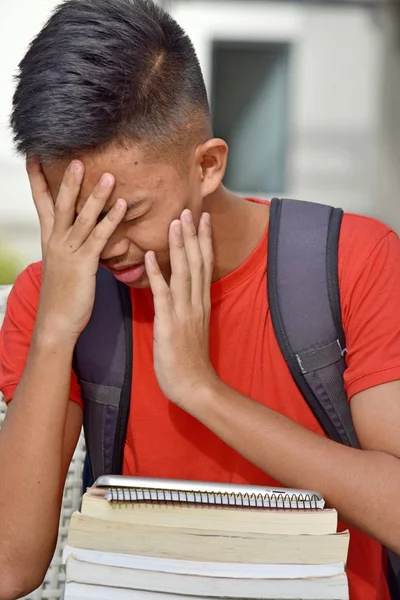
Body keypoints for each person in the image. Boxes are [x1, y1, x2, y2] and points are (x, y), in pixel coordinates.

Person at [0, 0, 399, 598]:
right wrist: (56, 330)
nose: (104, 246)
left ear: (208, 165)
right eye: (77, 216)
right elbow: (11, 569)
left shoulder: (355, 263)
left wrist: (201, 389)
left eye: (128, 213)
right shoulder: (54, 298)